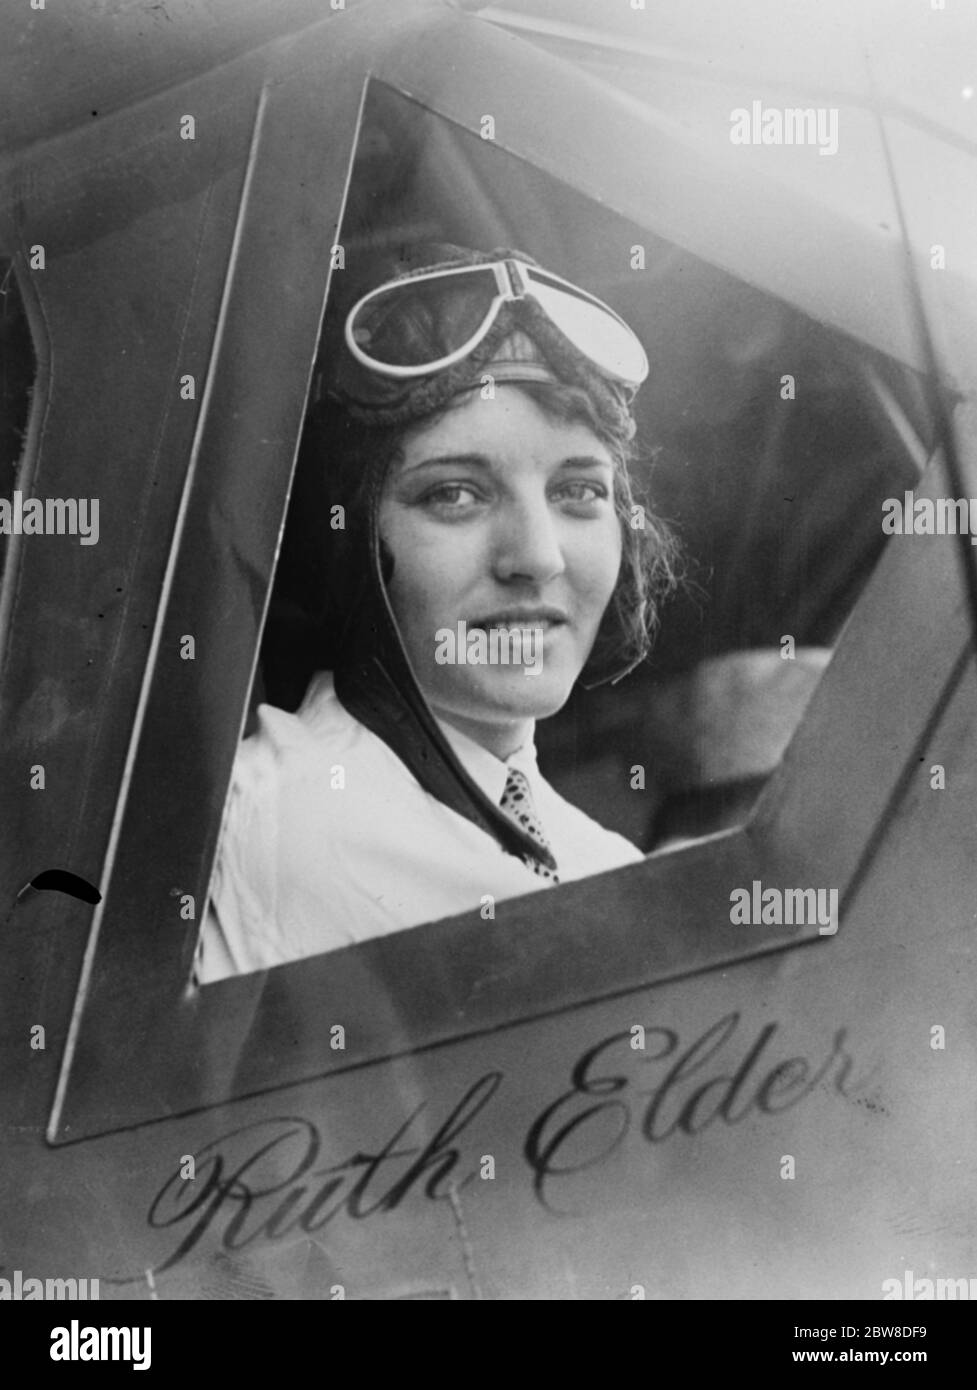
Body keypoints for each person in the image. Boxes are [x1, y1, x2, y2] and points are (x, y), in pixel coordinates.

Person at [196, 244, 677, 982]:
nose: (538, 557)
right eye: (454, 494)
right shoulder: (248, 825)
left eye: (577, 491)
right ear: (349, 544)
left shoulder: (608, 866)